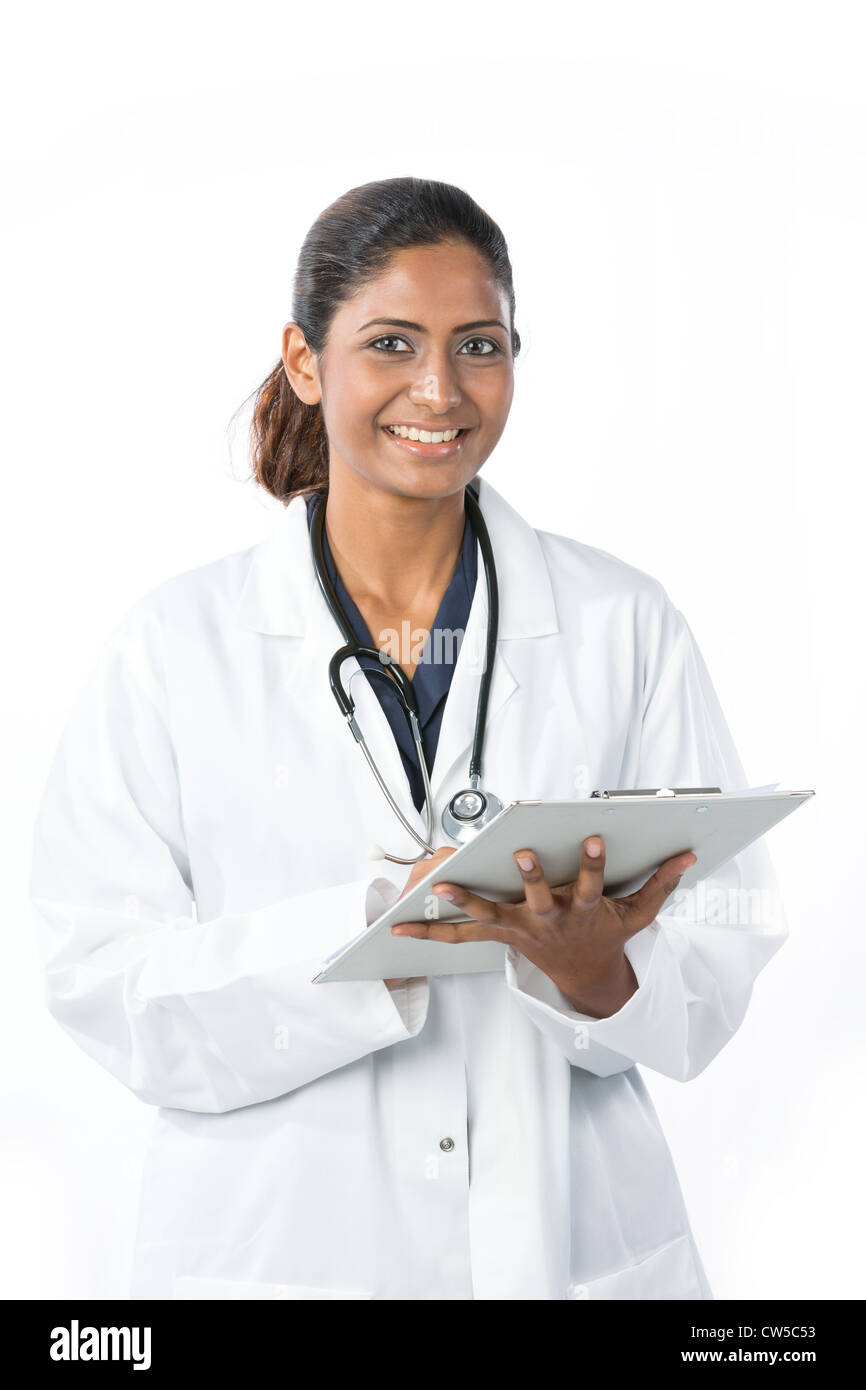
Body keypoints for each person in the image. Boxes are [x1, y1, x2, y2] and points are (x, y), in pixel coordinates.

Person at [28, 176, 787, 1301]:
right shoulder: (173, 648)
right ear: (303, 360)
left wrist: (600, 979)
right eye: (391, 343)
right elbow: (100, 981)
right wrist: (364, 937)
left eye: (477, 345)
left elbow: (725, 930)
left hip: (566, 1246)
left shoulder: (619, 623)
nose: (438, 389)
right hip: (281, 1252)